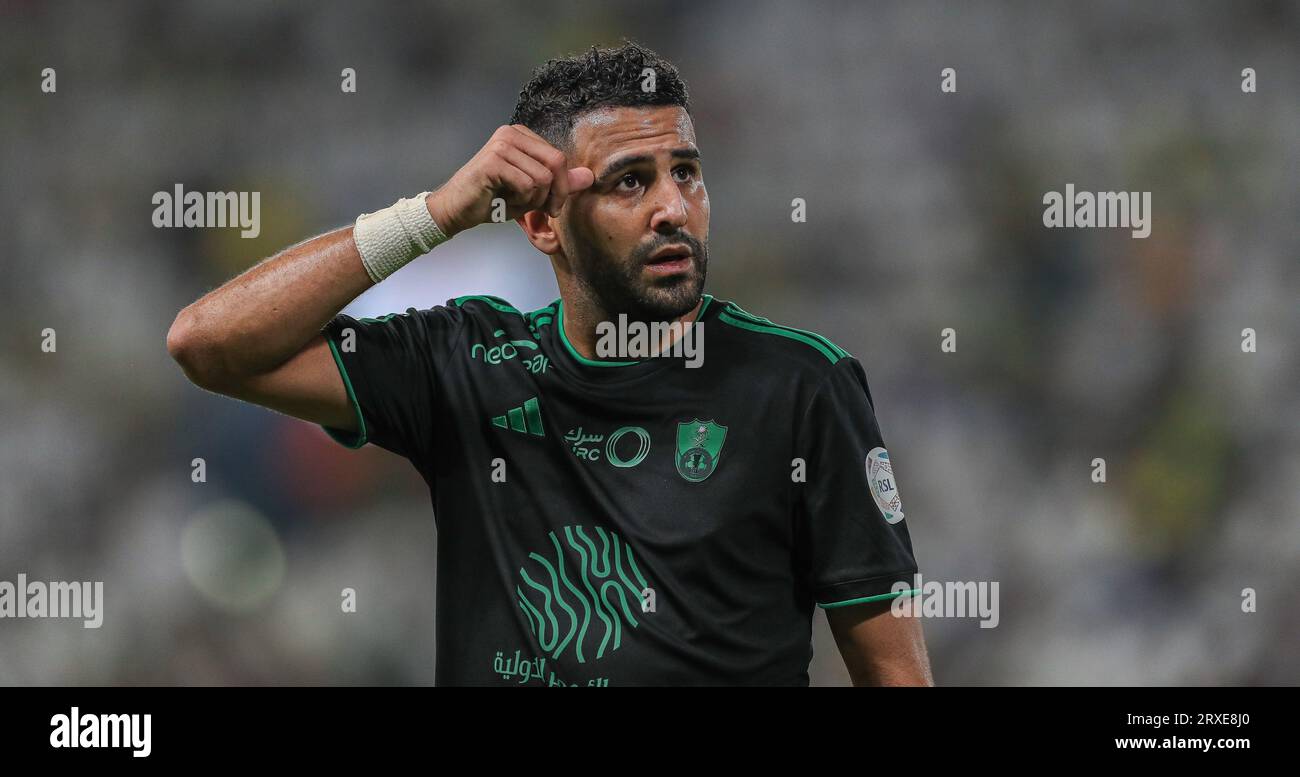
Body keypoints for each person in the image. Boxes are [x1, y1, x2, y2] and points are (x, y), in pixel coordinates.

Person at [167, 41, 932, 686]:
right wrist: (431, 217)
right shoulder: (466, 363)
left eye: (687, 173)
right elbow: (206, 343)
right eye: (631, 180)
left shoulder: (802, 385)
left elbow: (894, 673)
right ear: (540, 223)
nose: (674, 207)